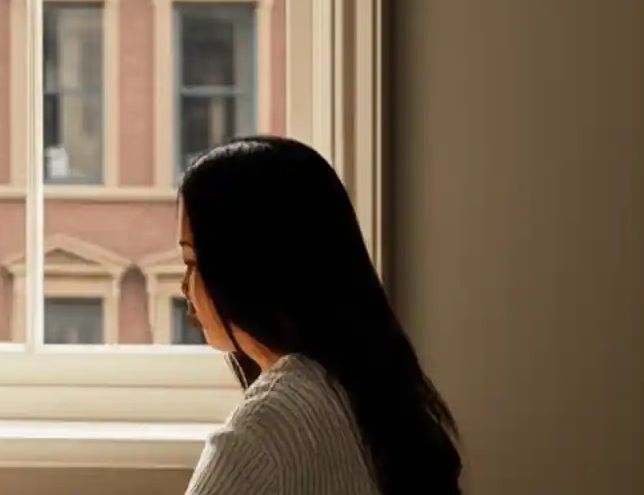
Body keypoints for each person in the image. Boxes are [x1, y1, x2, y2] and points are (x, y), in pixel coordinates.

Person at [178, 136, 461, 494]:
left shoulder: (258, 436)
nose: (184, 286)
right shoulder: (366, 394)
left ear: (246, 265)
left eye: (192, 261)